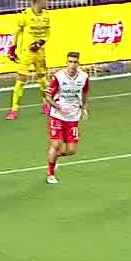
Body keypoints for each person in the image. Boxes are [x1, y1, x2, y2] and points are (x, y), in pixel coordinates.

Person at [43, 51, 90, 185]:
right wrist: (57, 107)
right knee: (56, 144)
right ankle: (50, 174)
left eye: (75, 62)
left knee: (71, 151)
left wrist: (84, 108)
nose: (72, 65)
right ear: (66, 62)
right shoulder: (58, 77)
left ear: (78, 63)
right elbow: (48, 96)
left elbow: (85, 92)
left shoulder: (84, 77)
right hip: (57, 116)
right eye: (70, 62)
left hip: (73, 117)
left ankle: (54, 158)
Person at [6, 0, 51, 120]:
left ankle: (46, 104)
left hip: (40, 52)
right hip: (26, 53)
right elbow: (17, 32)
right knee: (21, 79)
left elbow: (47, 34)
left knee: (43, 79)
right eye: (45, 0)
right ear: (39, 1)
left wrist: (40, 43)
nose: (47, 2)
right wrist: (12, 48)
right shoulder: (25, 15)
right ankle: (14, 110)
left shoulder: (46, 16)